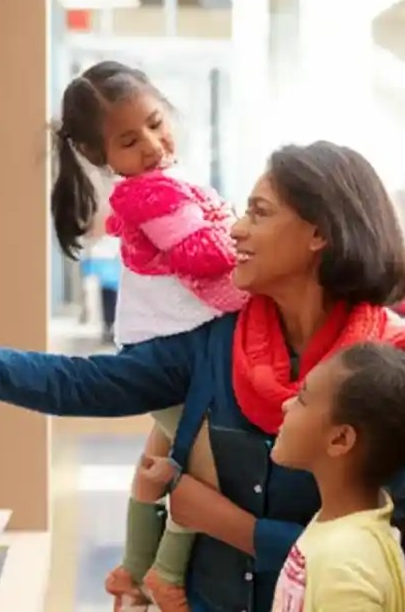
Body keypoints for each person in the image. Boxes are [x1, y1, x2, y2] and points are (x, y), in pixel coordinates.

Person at [0, 141, 405, 612]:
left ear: (319, 234)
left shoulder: (391, 368)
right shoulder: (218, 342)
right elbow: (87, 383)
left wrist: (233, 527)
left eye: (258, 213)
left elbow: (390, 545)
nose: (234, 230)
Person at [48, 61, 248, 609]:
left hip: (172, 346)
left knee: (157, 461)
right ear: (99, 156)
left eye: (157, 124)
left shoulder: (167, 184)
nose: (154, 146)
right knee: (209, 471)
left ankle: (131, 568)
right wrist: (250, 243)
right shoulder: (150, 195)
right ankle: (165, 573)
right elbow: (203, 257)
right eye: (131, 141)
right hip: (169, 355)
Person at [267, 342, 405, 612]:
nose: (287, 405)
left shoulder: (345, 562)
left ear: (340, 439)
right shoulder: (349, 529)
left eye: (302, 398)